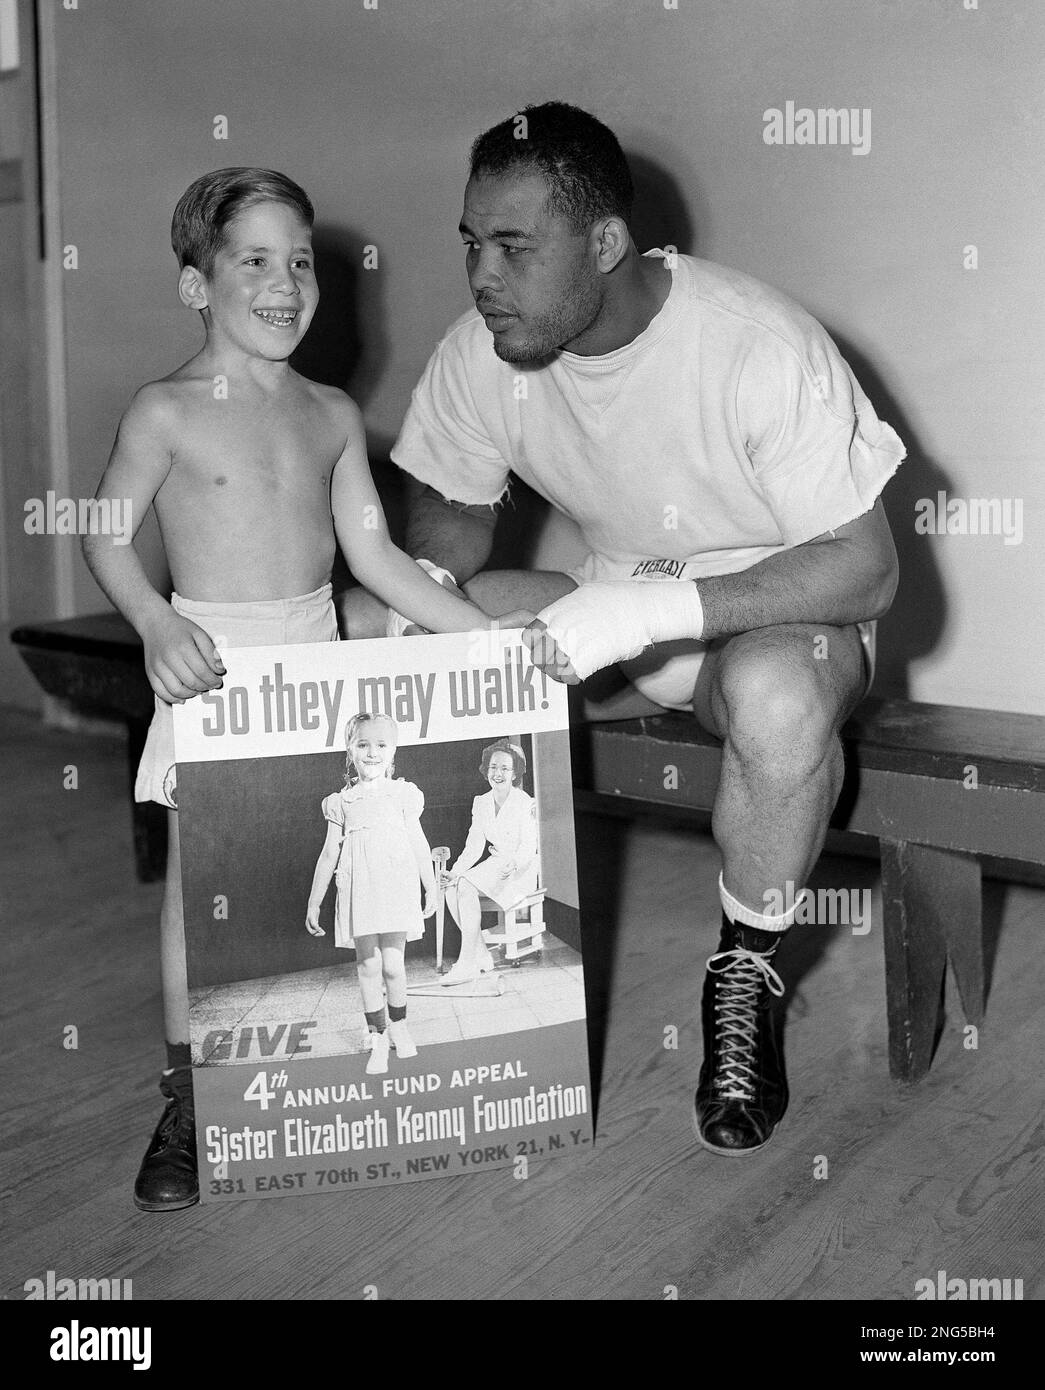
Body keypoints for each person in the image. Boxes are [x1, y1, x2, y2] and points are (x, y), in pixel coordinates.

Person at [346, 102, 903, 1158]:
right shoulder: (485, 352)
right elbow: (454, 512)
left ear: (604, 243)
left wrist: (647, 612)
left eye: (514, 246)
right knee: (379, 618)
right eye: (471, 242)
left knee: (777, 698)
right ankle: (405, 990)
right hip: (604, 614)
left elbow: (866, 566)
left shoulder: (754, 343)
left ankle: (744, 973)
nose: (481, 275)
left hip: (776, 622)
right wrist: (428, 586)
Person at [82, 166, 489, 1210]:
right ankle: (189, 1097)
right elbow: (104, 532)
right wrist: (156, 620)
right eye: (253, 259)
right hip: (213, 675)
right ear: (195, 285)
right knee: (197, 889)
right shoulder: (164, 411)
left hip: (317, 670)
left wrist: (496, 641)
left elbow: (382, 563)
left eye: (300, 260)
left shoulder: (332, 414)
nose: (284, 281)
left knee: (304, 870)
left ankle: (328, 1075)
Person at [306, 713, 436, 1074]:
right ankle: (377, 1035)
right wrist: (315, 900)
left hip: (396, 882)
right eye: (363, 745)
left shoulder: (404, 794)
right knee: (368, 965)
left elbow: (418, 842)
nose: (372, 752)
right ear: (350, 751)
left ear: (393, 752)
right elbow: (329, 852)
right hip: (359, 887)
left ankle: (400, 1026)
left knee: (393, 965)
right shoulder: (341, 802)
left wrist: (431, 886)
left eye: (381, 745)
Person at [439, 739, 538, 986]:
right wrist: (454, 871)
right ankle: (481, 955)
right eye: (493, 767)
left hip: (518, 869)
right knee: (452, 885)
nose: (498, 773)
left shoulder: (525, 802)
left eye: (505, 768)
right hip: (494, 865)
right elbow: (473, 847)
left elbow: (528, 846)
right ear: (486, 770)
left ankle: (466, 963)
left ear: (515, 773)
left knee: (465, 886)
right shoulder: (481, 802)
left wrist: (514, 864)